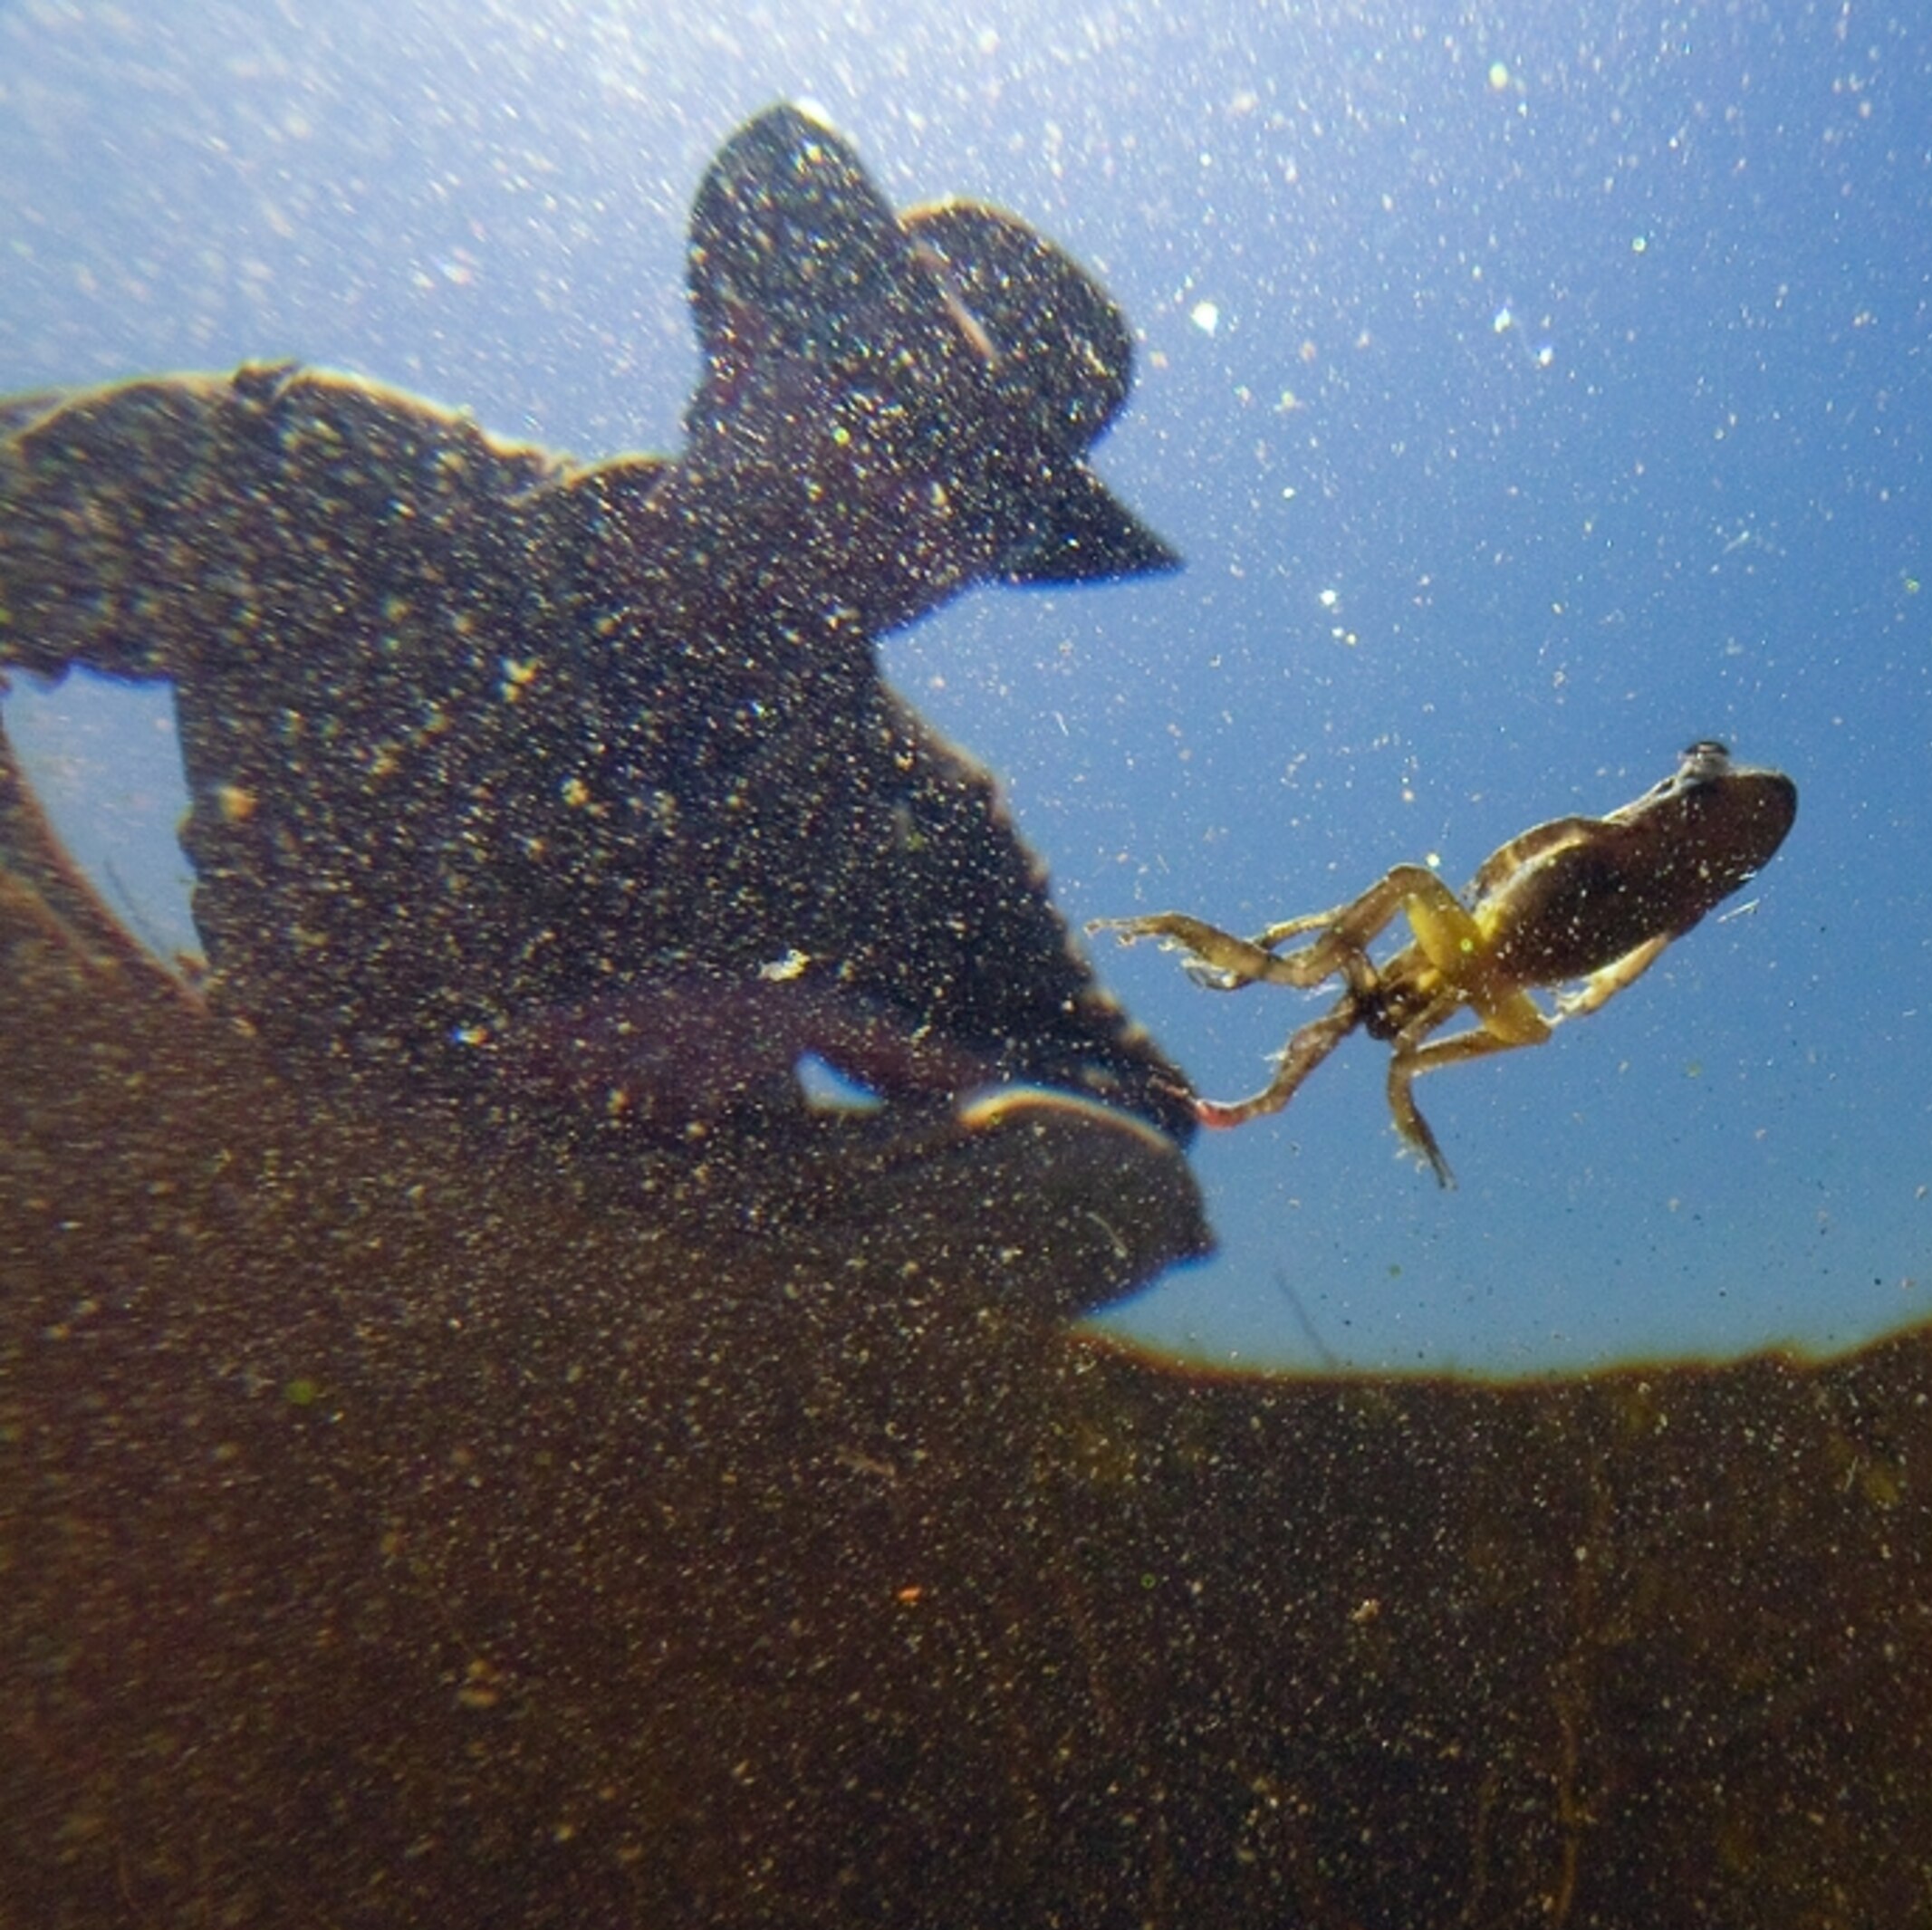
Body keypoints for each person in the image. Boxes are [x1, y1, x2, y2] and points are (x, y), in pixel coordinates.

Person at [0, 104, 1209, 1312]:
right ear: (746, 340)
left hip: (628, 1261)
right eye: (898, 400)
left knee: (1099, 1183)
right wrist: (102, 1009)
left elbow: (1131, 1111)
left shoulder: (912, 811)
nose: (920, 504)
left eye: (990, 496)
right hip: (239, 1151)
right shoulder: (348, 488)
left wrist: (832, 1026)